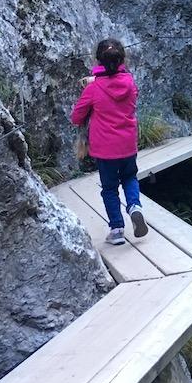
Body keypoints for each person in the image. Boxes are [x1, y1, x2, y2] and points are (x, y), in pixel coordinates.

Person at [70, 38, 146, 246]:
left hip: (105, 149)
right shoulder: (130, 83)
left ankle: (117, 230)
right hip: (128, 144)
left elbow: (76, 117)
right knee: (130, 177)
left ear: (98, 60)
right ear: (122, 58)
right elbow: (130, 95)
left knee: (110, 188)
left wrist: (92, 85)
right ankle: (134, 206)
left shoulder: (93, 89)